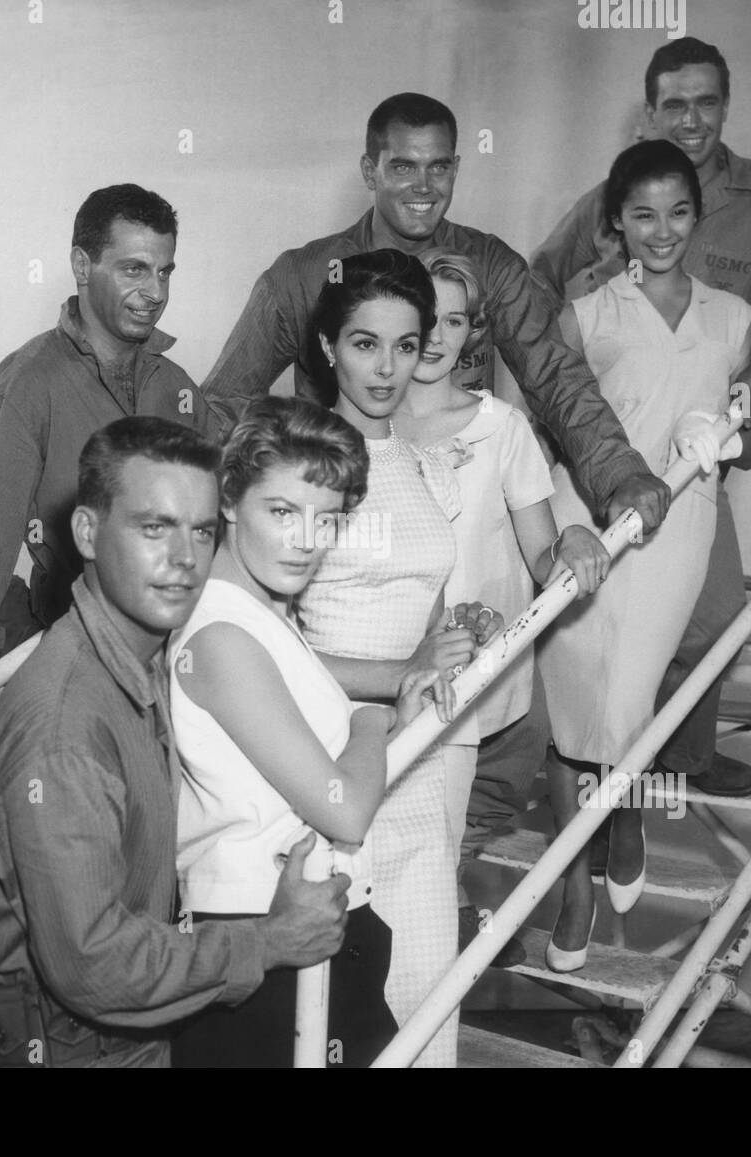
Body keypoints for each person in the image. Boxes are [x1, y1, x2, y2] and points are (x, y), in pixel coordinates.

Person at [0, 417, 350, 1068]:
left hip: (114, 1032)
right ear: (86, 531)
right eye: (154, 527)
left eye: (201, 531)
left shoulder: (137, 657)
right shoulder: (65, 729)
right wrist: (269, 940)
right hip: (67, 1046)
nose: (185, 559)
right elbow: (94, 964)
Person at [532, 38, 751, 798]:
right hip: (606, 454)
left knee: (711, 616)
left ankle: (673, 755)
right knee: (576, 621)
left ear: (726, 104)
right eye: (675, 103)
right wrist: (602, 291)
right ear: (650, 109)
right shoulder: (611, 196)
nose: (691, 118)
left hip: (698, 454)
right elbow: (536, 290)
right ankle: (598, 770)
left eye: (707, 101)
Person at [201, 92, 670, 538]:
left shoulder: (490, 265)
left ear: (456, 169)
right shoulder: (302, 276)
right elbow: (224, 405)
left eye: (438, 166)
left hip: (469, 517)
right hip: (347, 521)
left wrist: (618, 472)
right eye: (403, 166)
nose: (423, 186)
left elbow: (556, 375)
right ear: (370, 170)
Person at [0, 184, 212, 761]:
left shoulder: (177, 388)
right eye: (134, 269)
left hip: (181, 673)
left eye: (165, 271)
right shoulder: (28, 383)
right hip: (71, 664)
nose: (154, 292)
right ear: (82, 264)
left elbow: (219, 528)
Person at [169, 396, 441, 1068]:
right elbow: (344, 807)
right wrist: (371, 717)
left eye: (329, 518)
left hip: (313, 928)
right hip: (263, 947)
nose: (307, 539)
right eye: (282, 511)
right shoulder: (222, 633)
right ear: (229, 499)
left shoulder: (262, 615)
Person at [540, 141, 751, 972]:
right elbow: (545, 418)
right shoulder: (585, 312)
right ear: (615, 222)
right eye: (641, 215)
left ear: (697, 216)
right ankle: (573, 887)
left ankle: (624, 817)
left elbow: (750, 438)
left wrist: (726, 438)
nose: (660, 231)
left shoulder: (732, 317)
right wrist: (569, 515)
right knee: (570, 712)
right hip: (585, 521)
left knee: (628, 701)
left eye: (677, 212)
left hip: (675, 530)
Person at [295, 249, 499, 1067]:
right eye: (364, 343)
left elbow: (421, 600)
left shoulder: (424, 466)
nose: (386, 367)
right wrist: (403, 672)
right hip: (333, 751)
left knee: (425, 988)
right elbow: (267, 646)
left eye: (405, 345)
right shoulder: (302, 468)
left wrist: (463, 623)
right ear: (326, 348)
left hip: (423, 754)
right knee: (341, 1004)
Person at [394, 249, 610, 965]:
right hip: (392, 671)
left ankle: (429, 993)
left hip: (480, 682)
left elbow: (545, 558)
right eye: (424, 314)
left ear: (472, 334)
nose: (435, 334)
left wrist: (577, 534)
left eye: (454, 319)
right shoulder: (366, 424)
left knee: (441, 849)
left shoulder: (503, 428)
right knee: (397, 859)